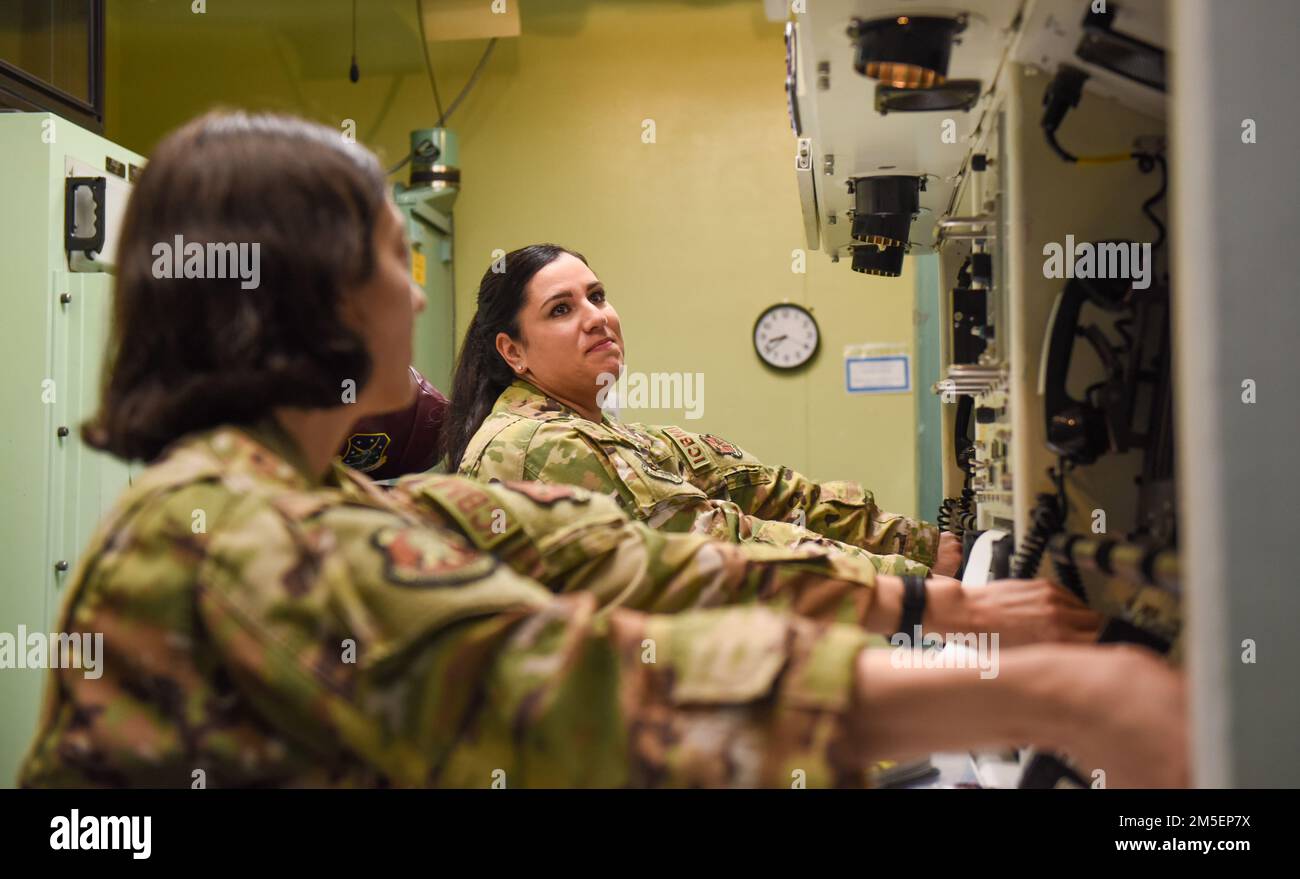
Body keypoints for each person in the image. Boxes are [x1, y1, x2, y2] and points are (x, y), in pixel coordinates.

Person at [19, 111, 1184, 788]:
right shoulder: (235, 539)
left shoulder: (322, 499)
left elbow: (641, 565)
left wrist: (945, 614)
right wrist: (1047, 689)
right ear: (312, 297)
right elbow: (576, 689)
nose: (414, 292)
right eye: (391, 254)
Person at [443, 244, 963, 580]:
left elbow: (766, 490)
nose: (597, 318)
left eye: (597, 296)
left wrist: (923, 544)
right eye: (562, 309)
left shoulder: (609, 436)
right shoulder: (542, 447)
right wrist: (915, 585)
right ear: (513, 351)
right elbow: (727, 547)